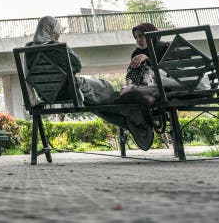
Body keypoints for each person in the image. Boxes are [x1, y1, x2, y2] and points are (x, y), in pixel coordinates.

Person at [25, 16, 154, 149]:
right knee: (106, 87)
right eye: (57, 33)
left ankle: (129, 120)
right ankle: (132, 118)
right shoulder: (57, 48)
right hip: (71, 90)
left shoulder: (28, 49)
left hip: (47, 95)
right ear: (52, 31)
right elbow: (77, 65)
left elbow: (28, 76)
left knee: (95, 105)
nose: (58, 36)